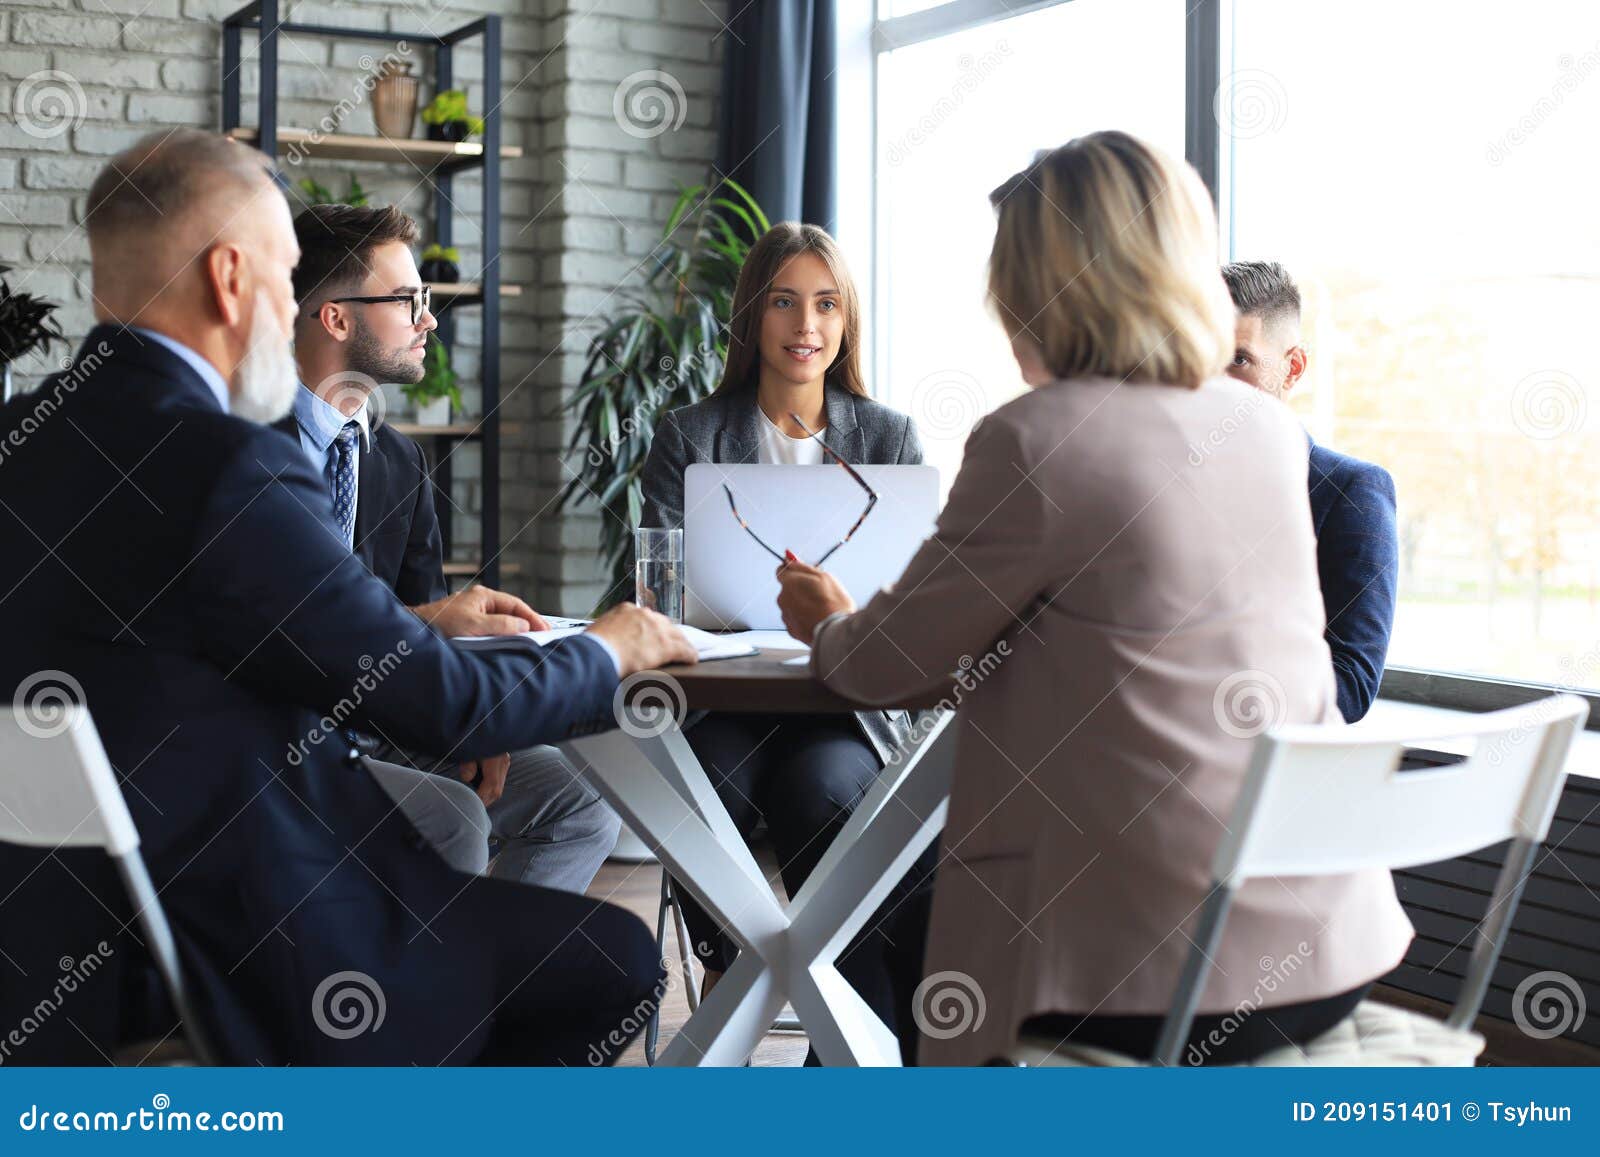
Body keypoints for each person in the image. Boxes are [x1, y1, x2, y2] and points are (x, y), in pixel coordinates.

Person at [0, 128, 696, 1065]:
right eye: (289, 276)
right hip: (245, 939)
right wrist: (612, 646)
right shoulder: (227, 464)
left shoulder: (22, 438)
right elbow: (440, 697)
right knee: (609, 957)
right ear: (230, 277)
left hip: (44, 937)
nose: (294, 306)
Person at [776, 132, 1414, 1066]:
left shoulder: (1037, 437)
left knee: (930, 947)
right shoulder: (1265, 432)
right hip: (1323, 946)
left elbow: (890, 665)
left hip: (1140, 981)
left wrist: (826, 621)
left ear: (1040, 287)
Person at [639, 221, 933, 1033]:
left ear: (846, 323)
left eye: (827, 305)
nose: (807, 326)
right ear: (752, 317)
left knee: (825, 794)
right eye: (785, 303)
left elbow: (912, 600)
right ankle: (734, 971)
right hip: (723, 700)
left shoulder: (888, 438)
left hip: (840, 701)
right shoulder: (689, 437)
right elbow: (652, 597)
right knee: (708, 792)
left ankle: (842, 1007)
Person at [279, 202, 620, 890]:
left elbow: (421, 620)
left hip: (388, 729)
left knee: (578, 799)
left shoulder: (400, 464)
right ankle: (429, 990)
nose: (429, 318)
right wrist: (433, 620)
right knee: (458, 817)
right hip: (282, 739)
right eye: (408, 300)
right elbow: (279, 636)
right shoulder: (247, 448)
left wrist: (479, 724)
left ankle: (501, 991)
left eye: (426, 299)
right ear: (336, 318)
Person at [1221, 260, 1399, 721]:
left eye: (1238, 360)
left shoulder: (1351, 491)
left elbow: (1351, 687)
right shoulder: (1158, 480)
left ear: (1293, 367)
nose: (1213, 384)